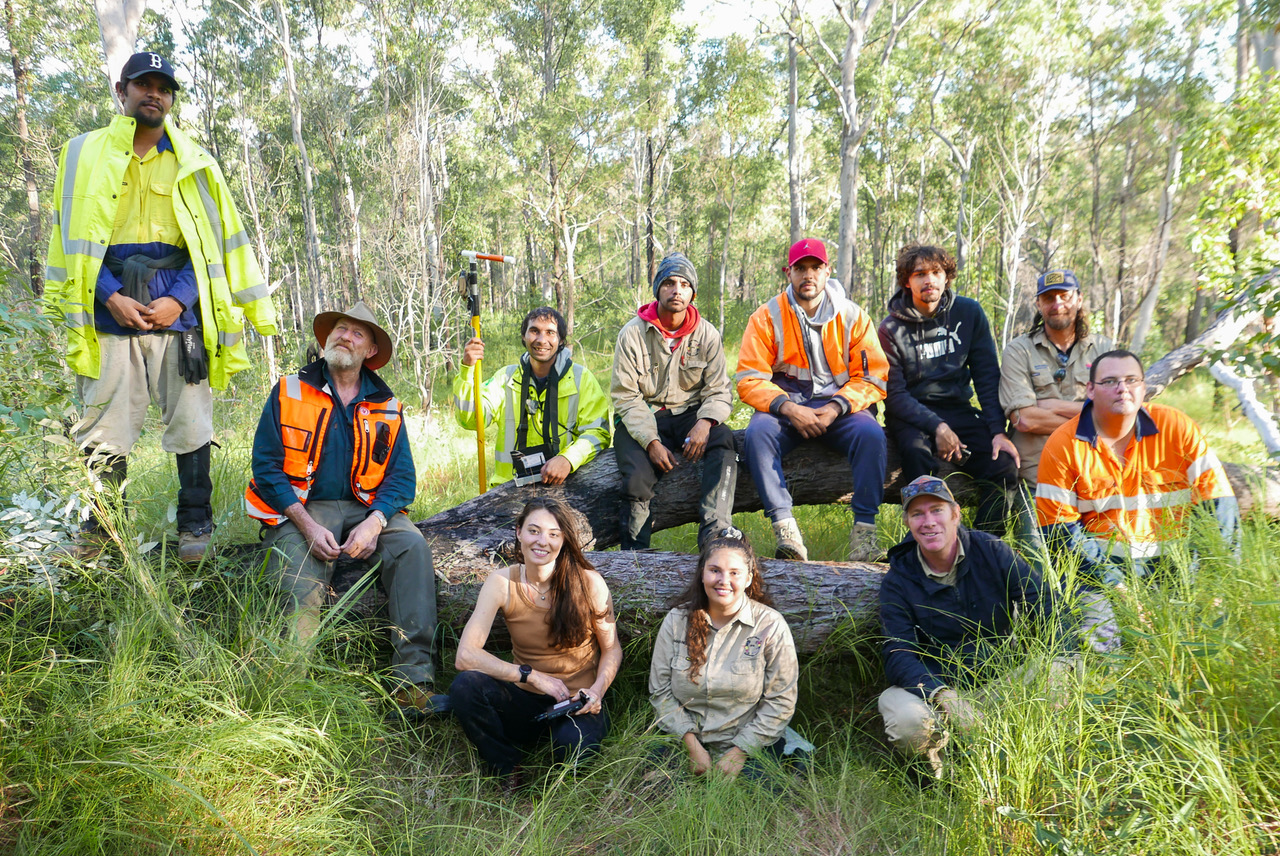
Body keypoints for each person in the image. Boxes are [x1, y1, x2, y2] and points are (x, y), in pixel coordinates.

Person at [44, 51, 277, 562]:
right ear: (121, 91)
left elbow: (213, 245)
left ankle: (196, 528)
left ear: (170, 99)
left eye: (164, 87)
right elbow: (73, 239)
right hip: (108, 307)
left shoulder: (197, 160)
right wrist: (109, 295)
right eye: (143, 84)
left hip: (180, 314)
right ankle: (101, 536)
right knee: (103, 429)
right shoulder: (81, 154)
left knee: (192, 423)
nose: (154, 94)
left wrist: (179, 299)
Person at [245, 302, 442, 713]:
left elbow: (402, 478)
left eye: (357, 332)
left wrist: (374, 522)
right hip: (302, 509)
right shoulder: (289, 389)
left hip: (365, 508)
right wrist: (305, 524)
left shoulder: (387, 404)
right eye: (340, 328)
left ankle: (412, 681)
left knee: (412, 548)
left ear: (370, 350)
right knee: (298, 576)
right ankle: (286, 687)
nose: (344, 336)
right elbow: (266, 465)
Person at [1036, 350, 1239, 648]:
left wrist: (1219, 582)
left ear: (1144, 387)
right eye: (1110, 381)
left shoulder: (1177, 428)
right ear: (1090, 390)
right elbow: (1060, 535)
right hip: (1098, 576)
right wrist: (1118, 589)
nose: (1122, 388)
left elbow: (1219, 508)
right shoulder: (1063, 446)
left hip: (1177, 571)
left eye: (1131, 380)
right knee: (1104, 650)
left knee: (1201, 648)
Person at [878, 476, 1071, 778]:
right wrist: (942, 695)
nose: (928, 522)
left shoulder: (991, 550)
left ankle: (1029, 767)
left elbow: (1045, 599)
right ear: (908, 522)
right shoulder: (898, 580)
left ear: (955, 513)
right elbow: (897, 652)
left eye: (936, 510)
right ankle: (939, 775)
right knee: (906, 719)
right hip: (936, 690)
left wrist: (1061, 657)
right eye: (917, 514)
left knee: (1060, 672)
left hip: (999, 678)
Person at [450, 498, 623, 794]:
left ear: (564, 540)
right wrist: (532, 676)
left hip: (575, 702)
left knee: (574, 752)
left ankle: (557, 751)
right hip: (525, 698)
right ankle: (506, 764)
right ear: (518, 533)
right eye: (534, 531)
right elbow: (465, 656)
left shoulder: (589, 583)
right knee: (465, 686)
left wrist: (596, 693)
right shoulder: (502, 582)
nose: (543, 541)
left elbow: (612, 649)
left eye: (553, 534)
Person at [736, 238, 889, 562]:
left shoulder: (853, 316)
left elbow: (873, 376)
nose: (809, 275)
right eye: (801, 268)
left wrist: (835, 408)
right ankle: (787, 533)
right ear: (788, 272)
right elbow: (749, 379)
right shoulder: (766, 317)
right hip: (787, 408)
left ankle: (865, 536)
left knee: (872, 434)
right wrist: (790, 409)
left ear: (827, 271)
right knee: (757, 434)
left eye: (816, 267)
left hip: (839, 409)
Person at [878, 244, 1020, 535]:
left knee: (1003, 466)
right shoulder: (890, 329)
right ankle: (929, 542)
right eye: (919, 274)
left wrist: (997, 431)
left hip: (959, 411)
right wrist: (938, 427)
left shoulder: (969, 313)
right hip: (910, 415)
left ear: (946, 277)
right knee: (918, 458)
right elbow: (894, 396)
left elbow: (986, 377)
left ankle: (984, 544)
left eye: (936, 272)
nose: (928, 280)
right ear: (907, 281)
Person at [649, 529, 800, 781]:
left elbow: (781, 700)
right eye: (715, 570)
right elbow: (660, 691)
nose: (723, 580)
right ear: (702, 573)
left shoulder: (770, 626)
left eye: (734, 573)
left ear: (749, 578)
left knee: (758, 798)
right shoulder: (676, 621)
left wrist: (740, 752)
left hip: (748, 740)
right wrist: (692, 746)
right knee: (655, 790)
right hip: (684, 736)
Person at [612, 252, 738, 550]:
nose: (676, 290)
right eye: (669, 282)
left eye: (684, 284)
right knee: (636, 478)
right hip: (643, 415)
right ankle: (635, 554)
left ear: (692, 292)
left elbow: (719, 389)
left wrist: (705, 423)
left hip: (689, 416)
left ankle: (716, 532)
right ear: (658, 289)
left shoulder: (707, 334)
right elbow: (626, 397)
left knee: (725, 440)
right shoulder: (632, 334)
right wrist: (651, 442)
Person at [453, 307, 610, 487]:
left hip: (565, 486)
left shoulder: (581, 379)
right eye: (534, 331)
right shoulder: (505, 378)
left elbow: (598, 432)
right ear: (523, 337)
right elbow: (471, 420)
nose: (542, 340)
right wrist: (467, 369)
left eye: (550, 332)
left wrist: (568, 459)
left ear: (561, 341)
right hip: (508, 490)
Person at [1000, 270, 1113, 484]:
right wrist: (1090, 419)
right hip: (1037, 474)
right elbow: (1024, 419)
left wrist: (1049, 405)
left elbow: (1111, 414)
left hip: (1095, 470)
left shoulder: (1103, 349)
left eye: (1065, 296)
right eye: (1048, 298)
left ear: (1079, 300)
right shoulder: (1018, 351)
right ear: (1038, 305)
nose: (1057, 304)